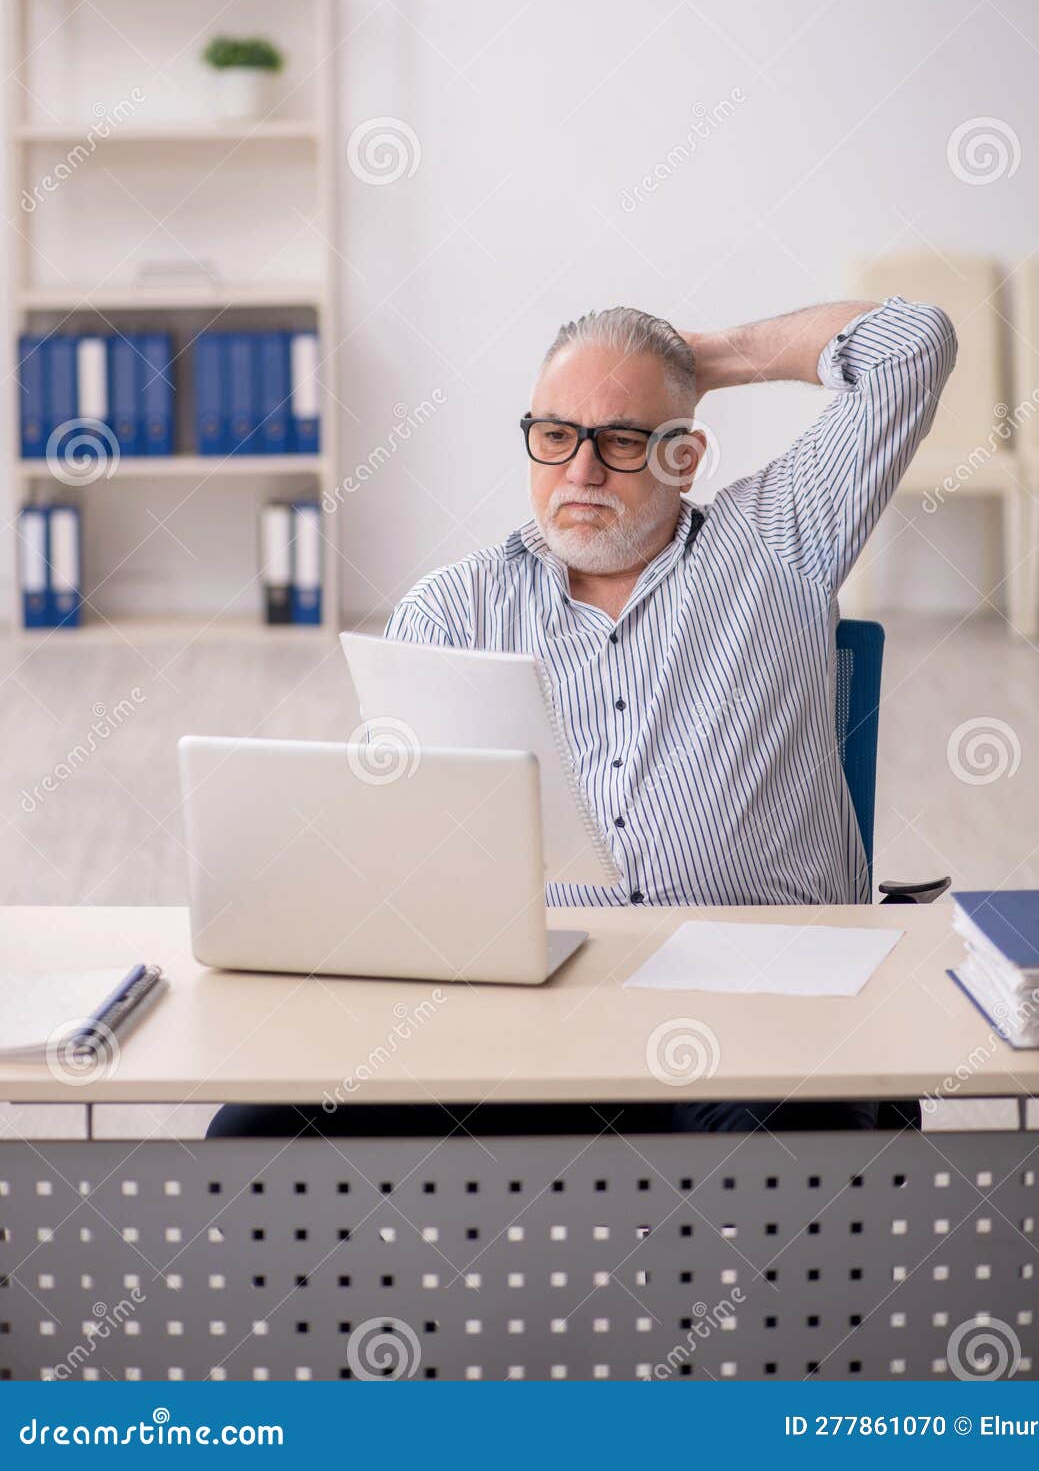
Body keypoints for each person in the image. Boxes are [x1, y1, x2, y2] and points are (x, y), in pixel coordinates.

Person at [208, 295, 956, 1141]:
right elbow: (400, 861)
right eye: (557, 435)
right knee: (259, 1136)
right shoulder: (452, 613)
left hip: (756, 1003)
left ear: (684, 455)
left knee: (762, 1165)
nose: (581, 472)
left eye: (622, 439)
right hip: (536, 1012)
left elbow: (912, 342)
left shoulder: (780, 541)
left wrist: (701, 358)